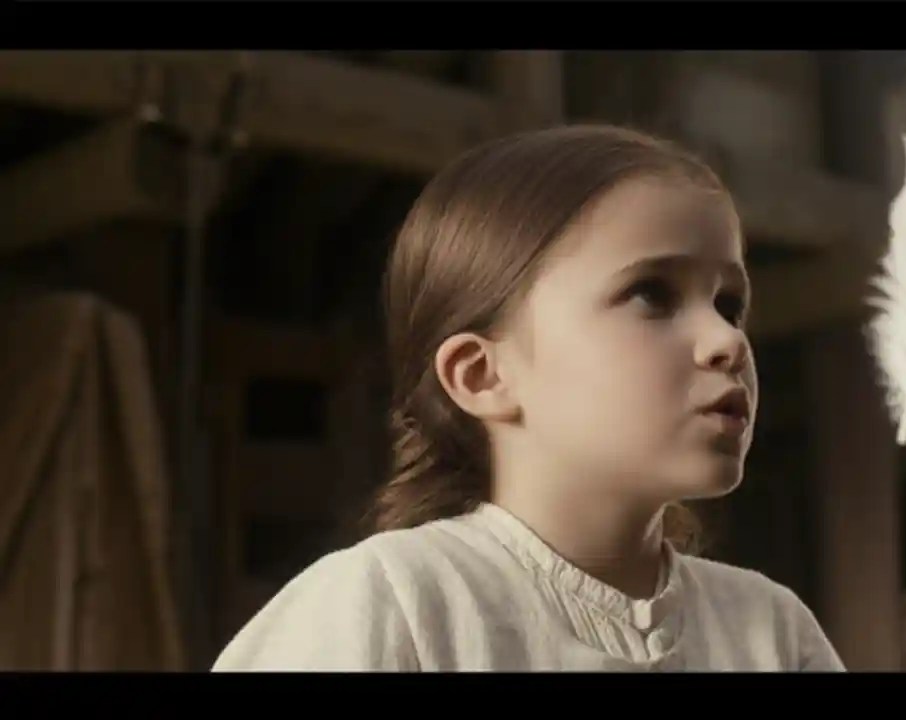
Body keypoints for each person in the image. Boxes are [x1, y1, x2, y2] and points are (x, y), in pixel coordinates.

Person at [211, 124, 845, 672]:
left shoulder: (773, 632)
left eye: (729, 305)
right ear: (483, 375)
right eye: (652, 294)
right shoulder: (393, 603)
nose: (727, 342)